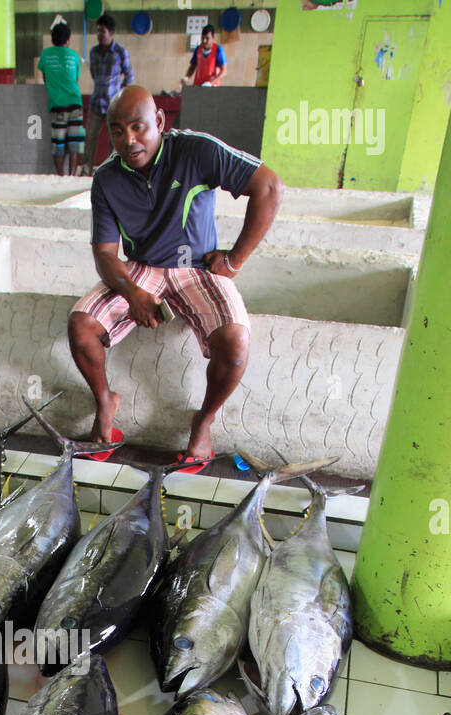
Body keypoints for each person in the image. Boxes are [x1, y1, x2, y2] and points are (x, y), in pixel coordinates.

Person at [69, 86, 284, 471]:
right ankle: (105, 401)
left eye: (138, 127)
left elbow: (269, 186)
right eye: (117, 131)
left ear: (160, 122)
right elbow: (104, 254)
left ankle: (203, 422)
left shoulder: (195, 150)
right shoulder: (106, 178)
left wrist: (234, 260)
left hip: (197, 269)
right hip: (142, 269)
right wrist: (133, 292)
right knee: (81, 326)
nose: (129, 140)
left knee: (235, 344)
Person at [82, 14, 132, 176]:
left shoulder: (120, 52)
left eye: (102, 31)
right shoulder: (93, 52)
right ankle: (86, 169)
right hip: (96, 103)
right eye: (97, 31)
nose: (99, 35)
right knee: (90, 137)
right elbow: (94, 75)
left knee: (114, 140)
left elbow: (130, 76)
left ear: (111, 33)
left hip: (113, 105)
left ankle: (113, 172)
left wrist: (120, 95)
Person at [37, 19, 84, 177]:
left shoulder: (45, 55)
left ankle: (60, 177)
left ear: (52, 38)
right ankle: (71, 177)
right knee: (74, 145)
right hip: (75, 104)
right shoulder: (74, 56)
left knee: (58, 145)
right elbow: (75, 81)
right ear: (68, 40)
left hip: (58, 106)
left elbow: (45, 78)